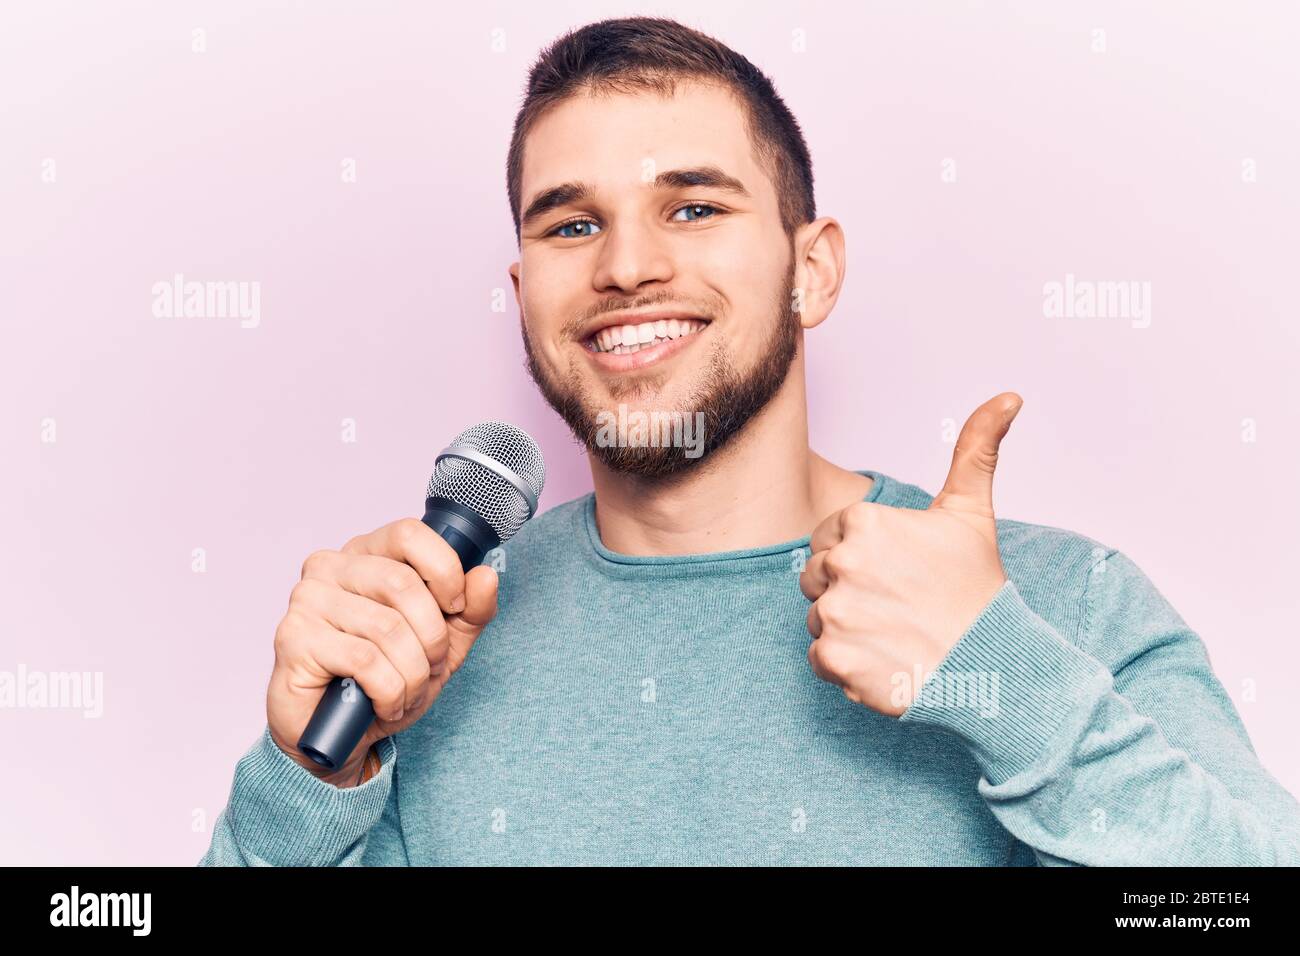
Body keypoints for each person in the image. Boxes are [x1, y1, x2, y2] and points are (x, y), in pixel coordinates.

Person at [200, 16, 1300, 866]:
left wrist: (996, 676)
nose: (625, 265)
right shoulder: (423, 647)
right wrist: (308, 773)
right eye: (571, 223)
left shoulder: (1063, 601)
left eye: (692, 208)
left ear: (810, 268)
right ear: (524, 289)